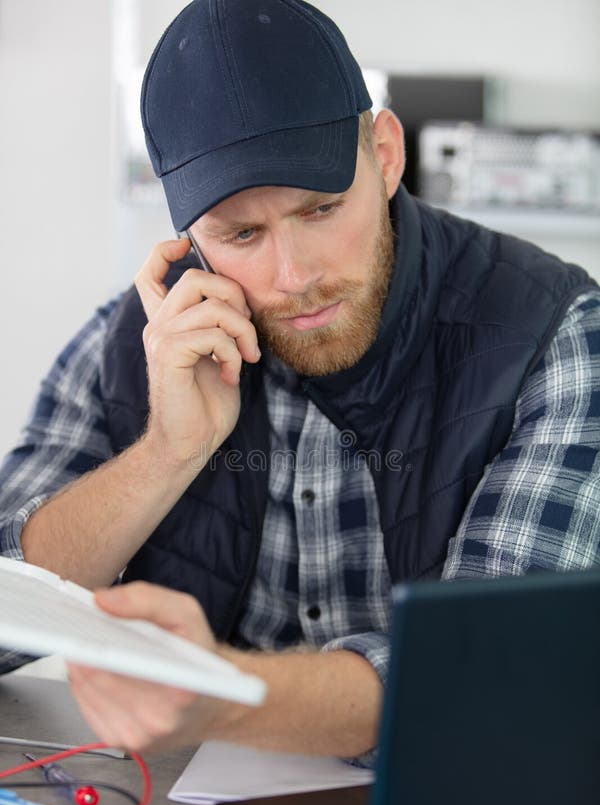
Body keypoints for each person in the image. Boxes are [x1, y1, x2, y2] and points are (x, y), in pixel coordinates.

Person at [1, 0, 599, 760]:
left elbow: (495, 677)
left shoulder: (553, 335)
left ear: (384, 153)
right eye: (241, 234)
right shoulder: (137, 342)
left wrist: (221, 696)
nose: (294, 278)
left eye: (321, 209)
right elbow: (1, 623)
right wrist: (166, 454)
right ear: (187, 235)